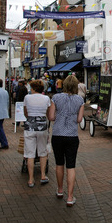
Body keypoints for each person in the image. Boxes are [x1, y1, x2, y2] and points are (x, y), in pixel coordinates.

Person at [48, 75, 84, 207]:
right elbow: (79, 120)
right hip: (72, 136)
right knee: (71, 165)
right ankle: (70, 197)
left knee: (59, 164)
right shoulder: (80, 100)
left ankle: (59, 190)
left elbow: (51, 116)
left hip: (57, 134)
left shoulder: (56, 98)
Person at [23, 79, 51, 187]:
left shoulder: (27, 98)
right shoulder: (46, 98)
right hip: (42, 126)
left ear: (33, 88)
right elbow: (47, 113)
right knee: (42, 151)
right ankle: (43, 176)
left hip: (29, 126)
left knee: (30, 153)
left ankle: (31, 179)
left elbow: (26, 112)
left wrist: (30, 119)